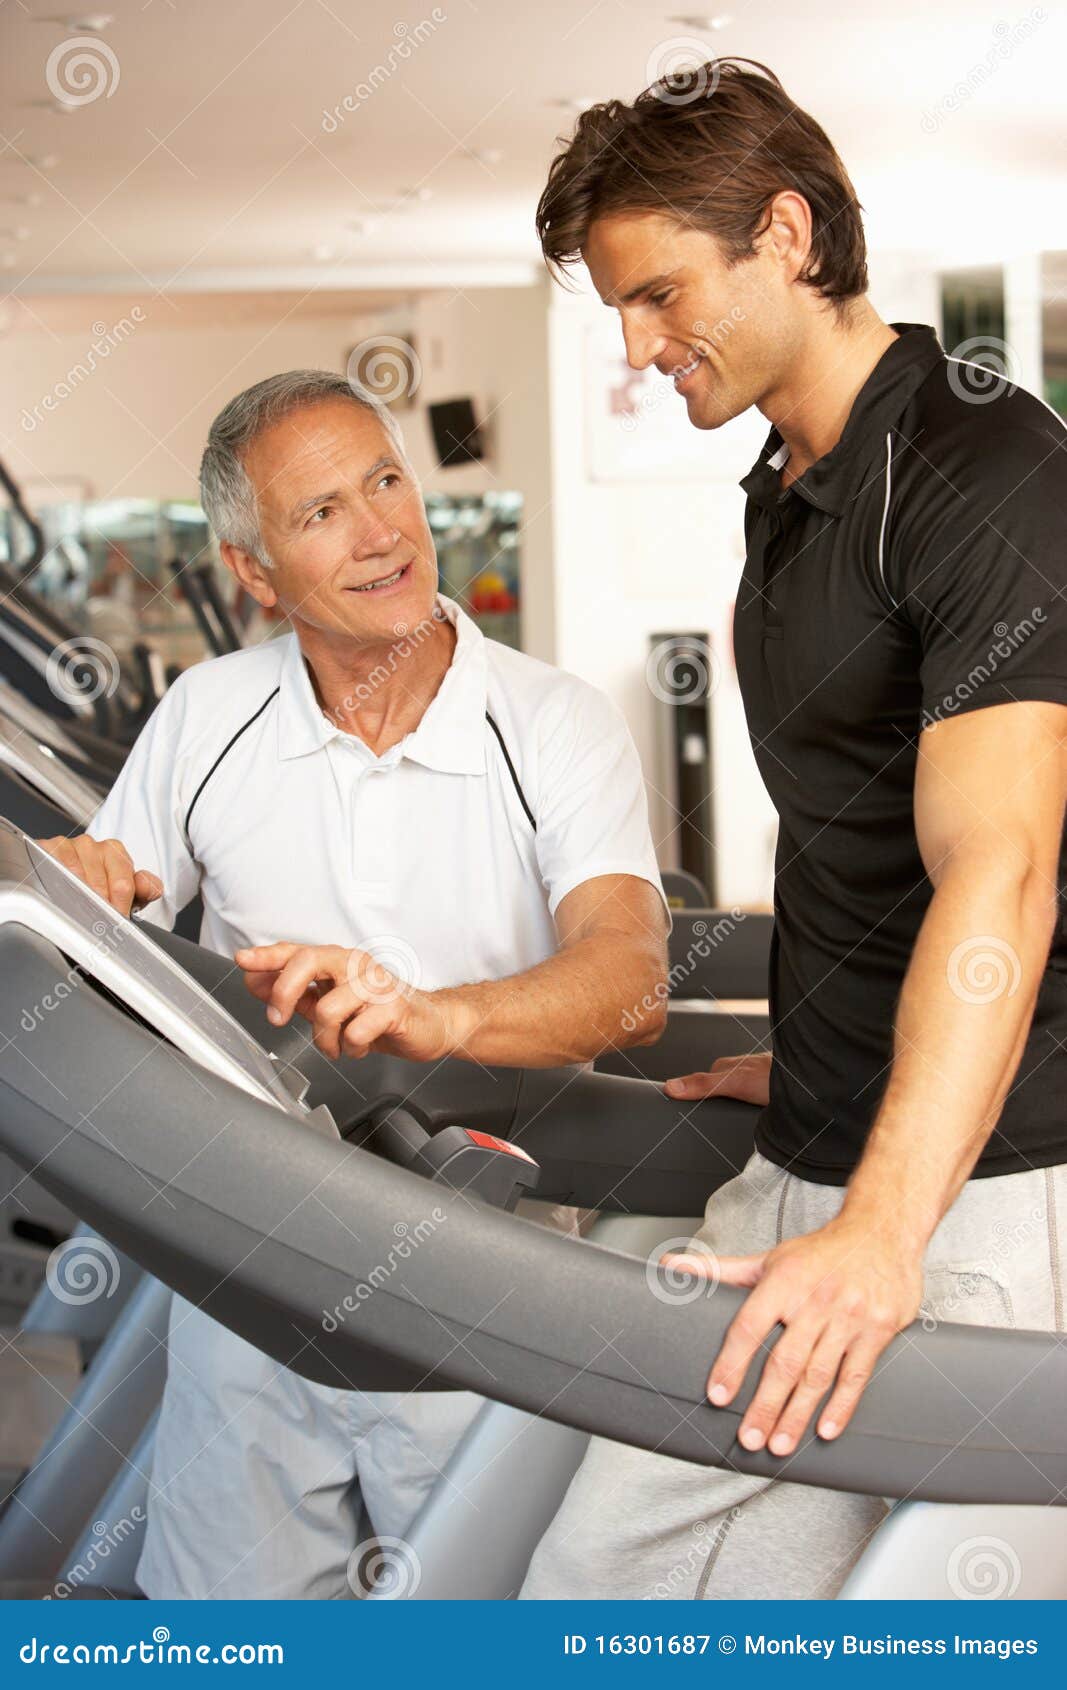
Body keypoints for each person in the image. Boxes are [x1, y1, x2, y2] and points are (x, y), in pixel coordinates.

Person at [522, 57, 1067, 1600]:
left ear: (782, 232)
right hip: (821, 1139)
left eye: (658, 294)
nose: (633, 347)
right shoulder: (788, 472)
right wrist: (831, 1037)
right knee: (606, 1589)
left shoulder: (977, 473)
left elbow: (999, 871)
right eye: (616, 308)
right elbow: (851, 825)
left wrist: (885, 1226)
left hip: (971, 1193)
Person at [38, 368, 670, 1599]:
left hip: (484, 1274)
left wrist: (438, 1016)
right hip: (251, 1264)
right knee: (232, 1638)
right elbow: (110, 909)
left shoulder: (550, 721)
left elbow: (629, 978)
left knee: (465, 1634)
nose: (381, 530)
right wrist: (86, 890)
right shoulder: (206, 714)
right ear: (255, 572)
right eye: (322, 510)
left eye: (385, 480)